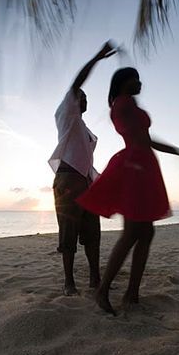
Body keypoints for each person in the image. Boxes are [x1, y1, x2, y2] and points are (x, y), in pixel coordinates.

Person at [77, 67, 179, 314]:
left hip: (146, 166)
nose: (140, 82)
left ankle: (132, 292)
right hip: (134, 168)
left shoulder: (130, 106)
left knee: (146, 233)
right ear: (124, 82)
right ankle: (102, 290)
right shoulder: (120, 104)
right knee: (131, 233)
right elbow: (134, 136)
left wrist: (177, 152)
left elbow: (147, 139)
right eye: (135, 78)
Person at [48, 42, 117, 295]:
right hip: (68, 181)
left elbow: (87, 160)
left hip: (86, 182)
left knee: (92, 232)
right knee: (68, 233)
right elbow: (77, 83)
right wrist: (97, 57)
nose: (85, 98)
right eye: (82, 96)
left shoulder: (82, 128)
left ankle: (95, 278)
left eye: (86, 97)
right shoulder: (66, 113)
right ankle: (69, 283)